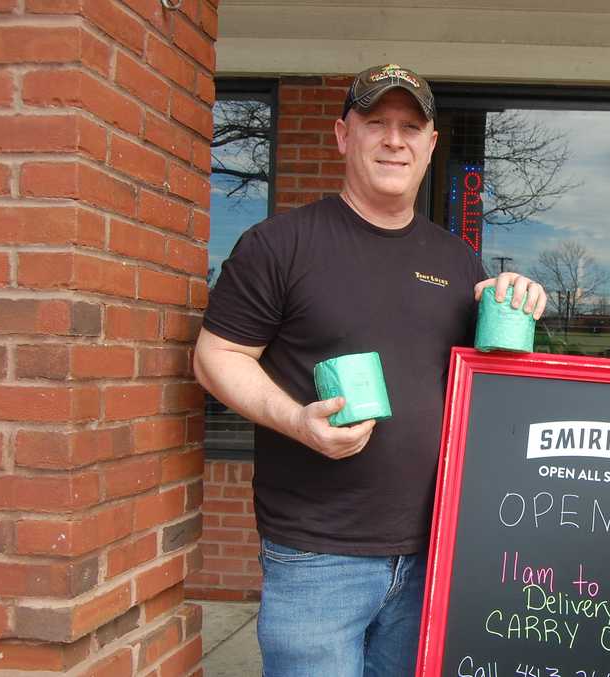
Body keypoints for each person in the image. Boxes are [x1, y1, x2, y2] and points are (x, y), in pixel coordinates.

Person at [193, 64, 546, 677]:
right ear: (342, 135)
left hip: (434, 551)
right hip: (317, 556)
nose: (394, 139)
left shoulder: (458, 261)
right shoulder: (281, 244)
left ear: (432, 145)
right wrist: (299, 422)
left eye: (411, 127)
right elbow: (217, 357)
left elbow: (487, 389)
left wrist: (517, 307)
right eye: (376, 123)